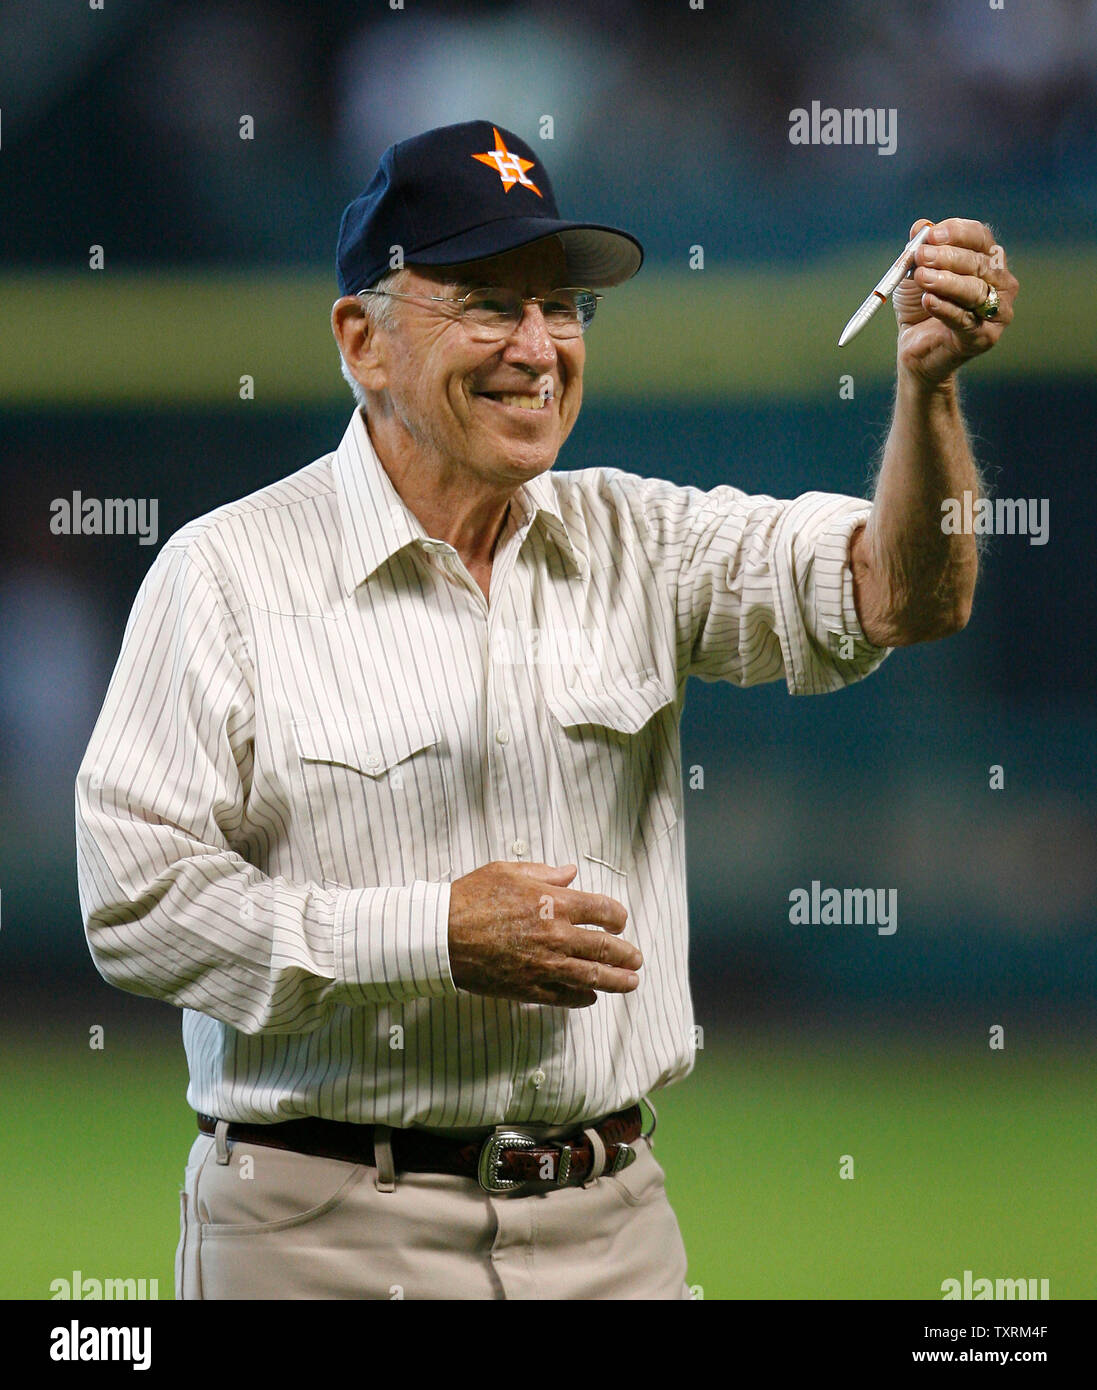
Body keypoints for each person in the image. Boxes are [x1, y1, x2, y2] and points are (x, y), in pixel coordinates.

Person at [75, 119, 1017, 1300]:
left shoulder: (638, 536)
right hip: (319, 1235)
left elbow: (903, 593)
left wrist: (925, 390)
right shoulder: (226, 574)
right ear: (360, 339)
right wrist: (432, 933)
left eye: (560, 305)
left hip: (610, 1229)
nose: (537, 346)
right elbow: (135, 902)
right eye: (486, 300)